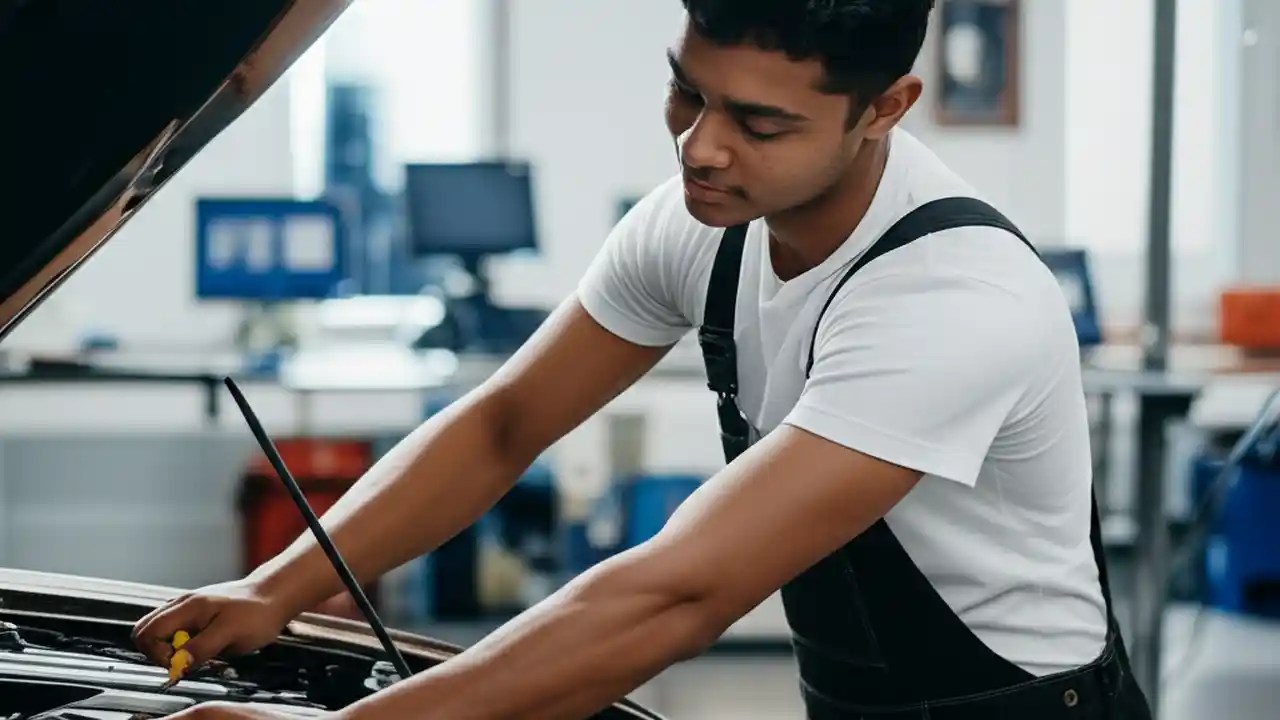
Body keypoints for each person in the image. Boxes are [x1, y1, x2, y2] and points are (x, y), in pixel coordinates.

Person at [135, 1, 1152, 718]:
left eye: (760, 123)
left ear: (885, 106)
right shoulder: (701, 218)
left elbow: (680, 591)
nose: (699, 149)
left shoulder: (949, 299)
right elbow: (503, 424)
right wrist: (276, 589)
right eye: (687, 92)